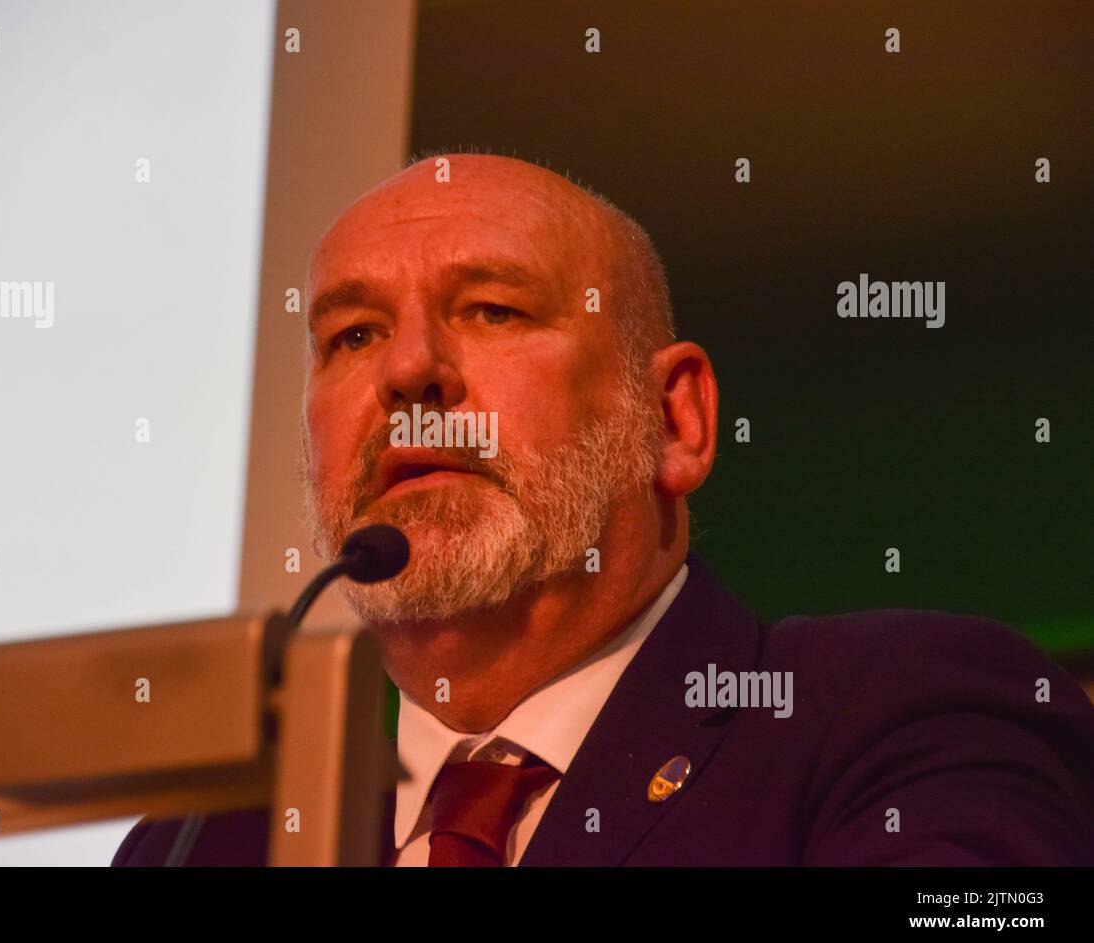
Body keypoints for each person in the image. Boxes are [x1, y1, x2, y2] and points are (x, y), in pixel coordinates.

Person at [113, 152, 1094, 866]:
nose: (409, 370)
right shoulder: (206, 844)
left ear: (675, 419)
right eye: (354, 333)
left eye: (493, 309)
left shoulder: (900, 709)